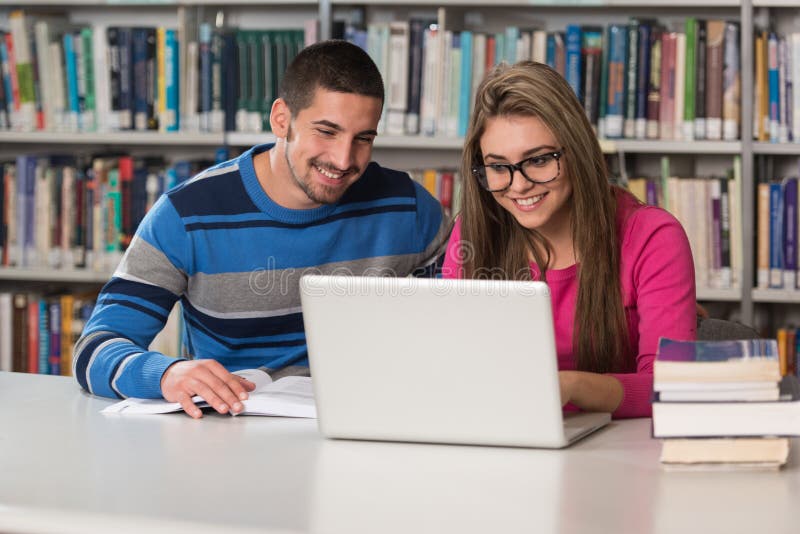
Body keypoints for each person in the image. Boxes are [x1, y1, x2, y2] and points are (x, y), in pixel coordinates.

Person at [73, 40, 451, 417]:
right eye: (326, 131)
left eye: (363, 139)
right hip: (231, 437)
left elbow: (456, 330)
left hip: (367, 428)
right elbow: (94, 349)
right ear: (281, 119)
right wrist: (166, 374)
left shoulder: (409, 206)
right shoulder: (186, 213)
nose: (343, 159)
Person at [441, 61, 696, 419]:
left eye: (540, 160)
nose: (519, 185)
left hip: (621, 454)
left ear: (575, 150)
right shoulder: (474, 231)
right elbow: (453, 367)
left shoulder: (653, 237)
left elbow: (670, 387)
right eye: (499, 167)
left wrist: (570, 387)